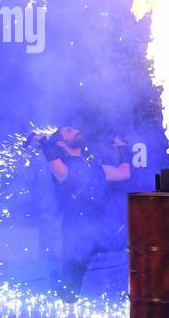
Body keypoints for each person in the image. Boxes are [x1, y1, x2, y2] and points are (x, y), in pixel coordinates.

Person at [30, 125, 132, 299]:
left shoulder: (96, 167)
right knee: (70, 295)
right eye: (69, 131)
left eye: (75, 128)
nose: (76, 130)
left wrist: (122, 148)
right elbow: (57, 166)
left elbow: (124, 174)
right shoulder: (64, 168)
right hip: (77, 231)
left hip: (101, 226)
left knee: (133, 241)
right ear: (62, 143)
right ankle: (55, 280)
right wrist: (43, 141)